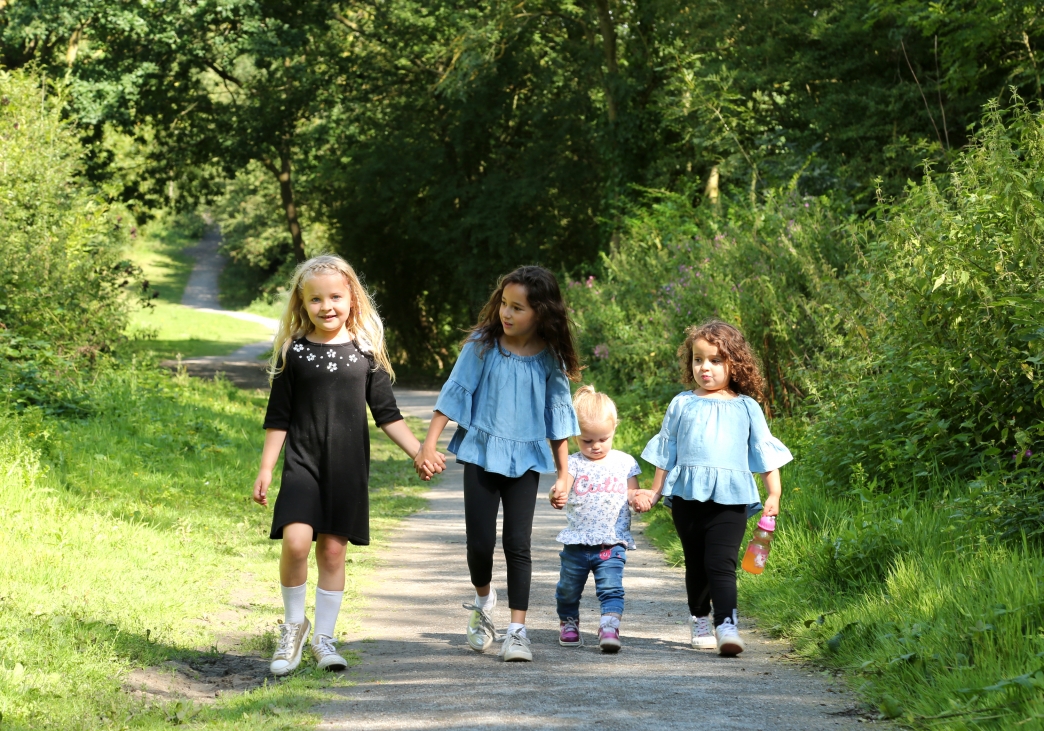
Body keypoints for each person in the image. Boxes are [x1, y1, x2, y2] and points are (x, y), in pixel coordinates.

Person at [253, 254, 441, 676]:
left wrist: (419, 452)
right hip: (302, 463)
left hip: (347, 469)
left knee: (333, 551)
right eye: (316, 299)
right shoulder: (293, 352)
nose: (327, 306)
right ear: (302, 303)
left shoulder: (365, 352)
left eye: (335, 297)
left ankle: (324, 638)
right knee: (296, 543)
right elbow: (278, 417)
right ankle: (293, 627)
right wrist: (266, 468)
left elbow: (387, 414)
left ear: (352, 298)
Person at [415, 266, 581, 662]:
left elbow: (557, 417)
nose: (506, 313)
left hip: (525, 461)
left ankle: (517, 632)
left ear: (541, 312)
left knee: (517, 544)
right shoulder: (482, 344)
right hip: (481, 453)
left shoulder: (550, 358)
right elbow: (455, 392)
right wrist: (428, 445)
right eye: (504, 303)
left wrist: (564, 473)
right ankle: (483, 599)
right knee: (480, 544)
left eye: (517, 308)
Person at [635, 319, 792, 656]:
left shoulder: (747, 407)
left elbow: (764, 452)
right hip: (687, 498)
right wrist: (655, 491)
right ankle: (699, 618)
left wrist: (774, 493)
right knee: (696, 563)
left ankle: (727, 625)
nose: (704, 367)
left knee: (721, 563)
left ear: (735, 363)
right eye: (698, 359)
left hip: (732, 499)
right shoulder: (682, 403)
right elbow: (666, 451)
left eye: (715, 360)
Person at [548, 386, 653, 652]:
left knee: (611, 588)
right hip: (577, 543)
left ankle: (609, 627)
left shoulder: (624, 462)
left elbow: (631, 491)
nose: (595, 446)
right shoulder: (573, 463)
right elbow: (562, 486)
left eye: (603, 439)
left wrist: (638, 498)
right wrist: (556, 494)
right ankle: (568, 622)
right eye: (587, 441)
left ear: (614, 429)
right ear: (575, 436)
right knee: (568, 588)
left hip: (611, 542)